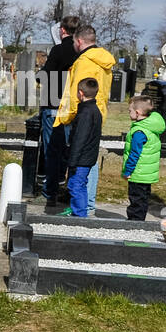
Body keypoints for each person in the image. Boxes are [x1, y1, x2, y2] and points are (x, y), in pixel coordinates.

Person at [55, 25, 115, 211]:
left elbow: (77, 92)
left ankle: (82, 206)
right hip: (98, 111)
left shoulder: (84, 61)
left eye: (73, 41)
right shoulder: (104, 60)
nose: (73, 44)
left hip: (82, 113)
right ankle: (88, 203)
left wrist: (70, 116)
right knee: (91, 158)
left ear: (79, 41)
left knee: (80, 159)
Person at [39, 16, 80, 209]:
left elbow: (46, 76)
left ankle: (50, 192)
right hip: (74, 105)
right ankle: (67, 188)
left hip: (54, 104)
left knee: (52, 150)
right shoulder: (81, 51)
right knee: (68, 149)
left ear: (62, 30)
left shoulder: (58, 50)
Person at [121, 94, 165, 221]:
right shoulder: (151, 127)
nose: (129, 113)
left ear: (138, 112)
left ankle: (135, 224)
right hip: (146, 173)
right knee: (143, 200)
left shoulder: (139, 132)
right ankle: (139, 222)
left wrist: (128, 171)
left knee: (136, 201)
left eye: (130, 111)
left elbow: (135, 153)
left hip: (138, 173)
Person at [66, 77, 103, 218]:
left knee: (75, 185)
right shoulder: (94, 110)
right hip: (88, 156)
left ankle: (79, 215)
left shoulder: (85, 113)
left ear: (80, 93)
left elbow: (79, 139)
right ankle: (80, 212)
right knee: (80, 185)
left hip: (81, 157)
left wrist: (72, 161)